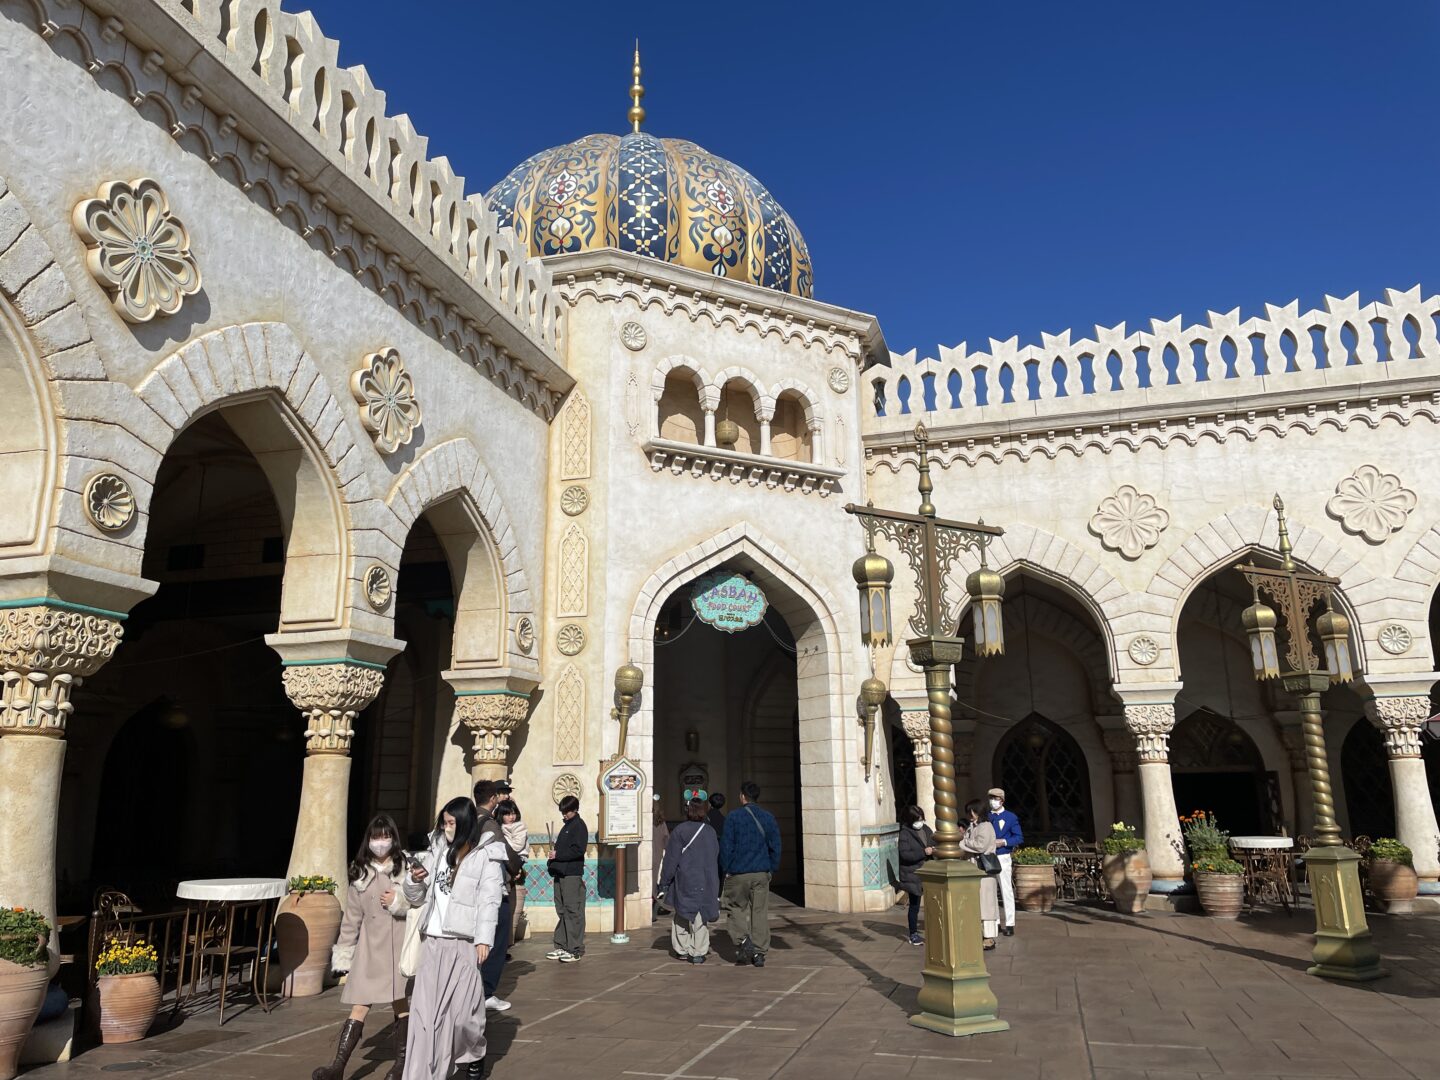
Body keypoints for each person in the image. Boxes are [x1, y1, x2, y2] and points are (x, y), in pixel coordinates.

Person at [402, 797, 507, 1080]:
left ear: (464, 823)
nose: (447, 829)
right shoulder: (436, 850)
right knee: (425, 1019)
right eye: (444, 823)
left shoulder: (486, 855)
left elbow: (489, 900)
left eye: (451, 823)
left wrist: (484, 939)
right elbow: (415, 896)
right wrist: (414, 879)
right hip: (432, 942)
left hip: (464, 943)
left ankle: (474, 1053)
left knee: (464, 1017)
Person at [315, 813, 411, 1080]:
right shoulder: (359, 873)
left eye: (386, 836)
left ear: (393, 838)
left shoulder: (406, 868)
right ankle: (338, 1066)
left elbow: (420, 904)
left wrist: (398, 899)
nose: (381, 842)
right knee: (359, 1005)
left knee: (400, 1004)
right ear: (368, 840)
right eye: (376, 837)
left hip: (397, 947)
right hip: (370, 950)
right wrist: (343, 956)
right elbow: (351, 919)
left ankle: (401, 1065)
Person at [473, 779, 524, 1011]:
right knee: (497, 941)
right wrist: (516, 867)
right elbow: (506, 851)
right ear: (492, 799)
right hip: (493, 889)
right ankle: (486, 991)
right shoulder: (489, 824)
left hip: (471, 889)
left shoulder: (467, 819)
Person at [718, 780, 781, 968]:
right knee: (760, 912)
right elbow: (775, 846)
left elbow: (726, 846)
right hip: (761, 872)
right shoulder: (768, 818)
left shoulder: (733, 817)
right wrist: (771, 868)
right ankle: (760, 952)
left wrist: (726, 868)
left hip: (738, 872)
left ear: (742, 796)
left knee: (735, 908)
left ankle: (743, 941)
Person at [659, 798, 721, 964]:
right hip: (706, 878)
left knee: (681, 913)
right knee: (700, 916)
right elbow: (715, 855)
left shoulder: (679, 831)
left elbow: (671, 859)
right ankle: (698, 951)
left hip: (685, 878)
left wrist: (664, 881)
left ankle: (682, 949)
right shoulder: (710, 831)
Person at [546, 794, 587, 962]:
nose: (564, 815)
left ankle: (575, 949)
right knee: (562, 910)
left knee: (573, 911)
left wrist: (558, 854)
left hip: (571, 874)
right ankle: (561, 945)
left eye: (567, 812)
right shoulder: (567, 825)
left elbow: (578, 850)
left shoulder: (578, 826)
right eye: (563, 811)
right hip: (560, 873)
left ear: (575, 809)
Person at [961, 798, 1000, 950]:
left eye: (973, 811)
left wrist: (963, 843)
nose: (971, 814)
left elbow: (980, 846)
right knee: (976, 904)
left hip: (984, 871)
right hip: (973, 871)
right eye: (969, 811)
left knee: (987, 905)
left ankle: (989, 938)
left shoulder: (986, 826)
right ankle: (977, 934)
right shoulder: (973, 826)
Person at [896, 805, 935, 946]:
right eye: (917, 819)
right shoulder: (905, 834)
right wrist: (924, 852)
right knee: (915, 906)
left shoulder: (926, 830)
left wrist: (934, 850)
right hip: (913, 874)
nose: (920, 822)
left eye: (922, 819)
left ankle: (933, 930)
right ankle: (913, 934)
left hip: (928, 872)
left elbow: (934, 842)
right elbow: (905, 855)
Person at [987, 786, 1023, 937]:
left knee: (1006, 889)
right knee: (990, 890)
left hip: (1002, 856)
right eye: (991, 798)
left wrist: (1004, 842)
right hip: (988, 856)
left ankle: (1009, 923)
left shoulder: (1010, 817)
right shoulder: (987, 816)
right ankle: (993, 921)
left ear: (1001, 800)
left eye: (995, 799)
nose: (992, 801)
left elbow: (1018, 837)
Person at [496, 798, 528, 944]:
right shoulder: (498, 827)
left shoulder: (519, 827)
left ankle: (507, 942)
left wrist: (503, 842)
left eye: (513, 813)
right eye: (507, 814)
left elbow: (516, 846)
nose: (511, 817)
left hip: (515, 861)